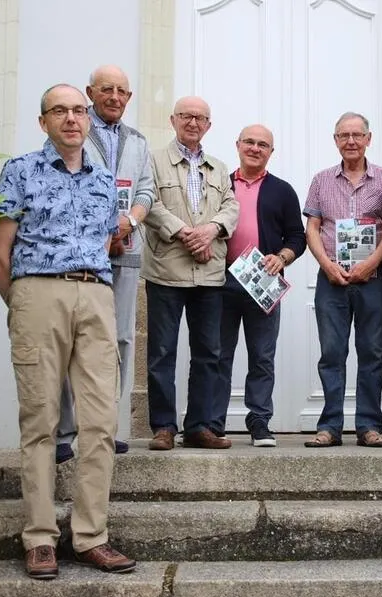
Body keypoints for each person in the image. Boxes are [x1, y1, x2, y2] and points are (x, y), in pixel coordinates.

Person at [0, 83, 137, 580]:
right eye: (60, 111)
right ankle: (39, 538)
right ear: (43, 120)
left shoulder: (103, 179)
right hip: (38, 294)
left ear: (88, 120)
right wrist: (21, 306)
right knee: (41, 420)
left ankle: (92, 536)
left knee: (100, 422)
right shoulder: (20, 170)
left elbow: (107, 241)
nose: (72, 118)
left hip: (95, 294)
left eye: (78, 110)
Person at [55, 65, 155, 462]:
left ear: (129, 98)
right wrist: (101, 231)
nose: (114, 97)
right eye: (106, 89)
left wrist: (127, 221)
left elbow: (146, 190)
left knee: (121, 340)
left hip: (127, 250)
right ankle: (65, 432)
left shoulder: (138, 141)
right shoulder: (75, 131)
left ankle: (108, 428)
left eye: (122, 91)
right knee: (70, 339)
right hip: (81, 254)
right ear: (90, 93)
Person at [142, 96, 239, 451]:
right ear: (173, 120)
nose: (193, 122)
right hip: (167, 271)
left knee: (208, 353)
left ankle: (199, 426)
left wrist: (211, 229)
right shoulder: (153, 161)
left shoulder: (219, 167)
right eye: (186, 116)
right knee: (162, 353)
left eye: (200, 118)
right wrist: (186, 233)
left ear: (209, 125)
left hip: (209, 274)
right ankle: (164, 427)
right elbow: (148, 202)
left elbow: (231, 206)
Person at [209, 125, 306, 446]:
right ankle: (213, 423)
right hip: (220, 281)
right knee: (218, 355)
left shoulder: (282, 190)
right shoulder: (220, 184)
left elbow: (297, 237)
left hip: (262, 282)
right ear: (237, 145)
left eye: (262, 144)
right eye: (249, 142)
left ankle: (260, 422)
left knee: (262, 357)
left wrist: (282, 257)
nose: (255, 148)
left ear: (271, 152)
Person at [302, 112, 382, 448]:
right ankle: (330, 426)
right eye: (344, 135)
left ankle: (369, 425)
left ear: (369, 138)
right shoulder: (321, 180)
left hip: (374, 278)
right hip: (332, 278)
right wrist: (326, 265)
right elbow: (312, 228)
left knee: (371, 352)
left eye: (357, 135)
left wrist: (372, 263)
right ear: (335, 140)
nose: (351, 141)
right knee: (331, 353)